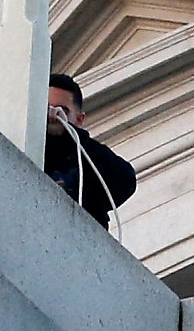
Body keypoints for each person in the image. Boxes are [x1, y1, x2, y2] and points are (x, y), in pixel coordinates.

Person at [44, 71, 136, 229]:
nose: (53, 115)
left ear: (79, 119)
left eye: (62, 110)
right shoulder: (29, 148)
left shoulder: (89, 156)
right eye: (47, 109)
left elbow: (124, 180)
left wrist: (71, 135)